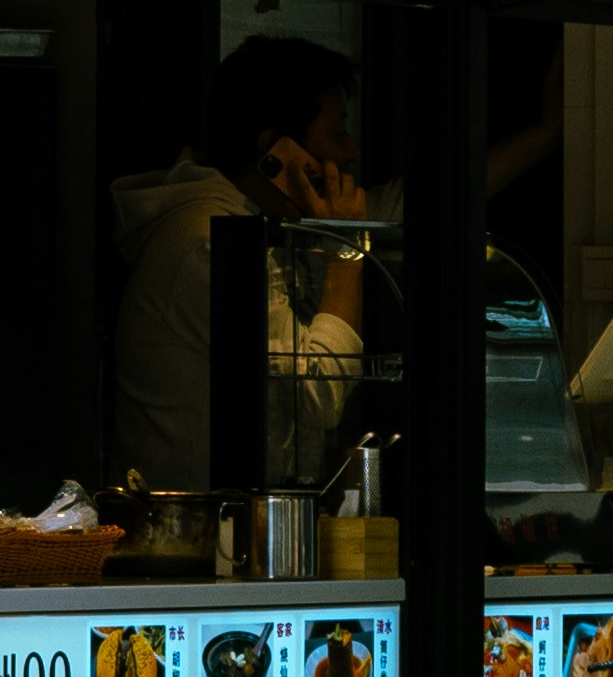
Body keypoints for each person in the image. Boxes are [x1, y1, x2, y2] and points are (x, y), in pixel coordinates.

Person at [108, 34, 556, 493]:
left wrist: (547, 131)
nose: (350, 152)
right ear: (275, 155)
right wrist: (346, 249)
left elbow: (426, 204)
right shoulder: (208, 239)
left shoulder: (267, 217)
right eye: (338, 132)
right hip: (203, 531)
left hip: (255, 518)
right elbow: (317, 393)